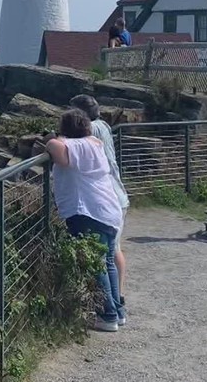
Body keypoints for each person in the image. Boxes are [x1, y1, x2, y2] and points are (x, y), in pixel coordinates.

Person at [45, 109, 125, 332]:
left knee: (97, 264)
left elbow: (57, 151)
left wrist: (52, 139)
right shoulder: (95, 143)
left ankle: (107, 315)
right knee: (107, 262)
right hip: (107, 210)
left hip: (88, 212)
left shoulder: (77, 146)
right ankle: (117, 311)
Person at [70, 95, 130, 323]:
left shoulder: (91, 131)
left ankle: (112, 309)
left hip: (105, 198)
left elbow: (71, 144)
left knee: (107, 255)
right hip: (116, 195)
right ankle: (118, 302)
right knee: (113, 250)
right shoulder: (103, 125)